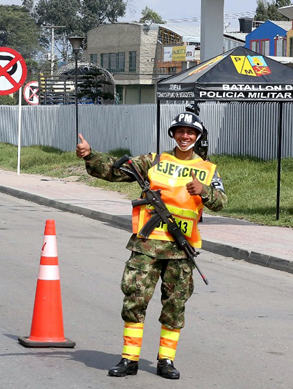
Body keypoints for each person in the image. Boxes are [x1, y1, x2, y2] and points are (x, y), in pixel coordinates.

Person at [75, 111, 227, 380]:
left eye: (190, 132)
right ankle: (129, 359)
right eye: (180, 131)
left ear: (198, 136)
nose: (185, 136)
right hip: (147, 244)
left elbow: (222, 201)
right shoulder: (153, 161)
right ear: (173, 134)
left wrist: (204, 191)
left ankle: (166, 360)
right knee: (135, 299)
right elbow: (116, 170)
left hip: (181, 249)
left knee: (175, 306)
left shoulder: (208, 170)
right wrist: (89, 155)